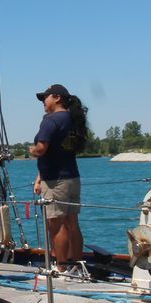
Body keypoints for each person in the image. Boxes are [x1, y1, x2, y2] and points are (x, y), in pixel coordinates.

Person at [29, 84, 87, 271]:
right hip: (72, 177)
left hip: (55, 181)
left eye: (45, 98)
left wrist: (31, 151)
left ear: (57, 98)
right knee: (72, 223)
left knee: (56, 225)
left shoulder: (50, 120)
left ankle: (61, 268)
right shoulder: (73, 119)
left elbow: (42, 148)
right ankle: (77, 266)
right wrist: (39, 178)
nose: (43, 102)